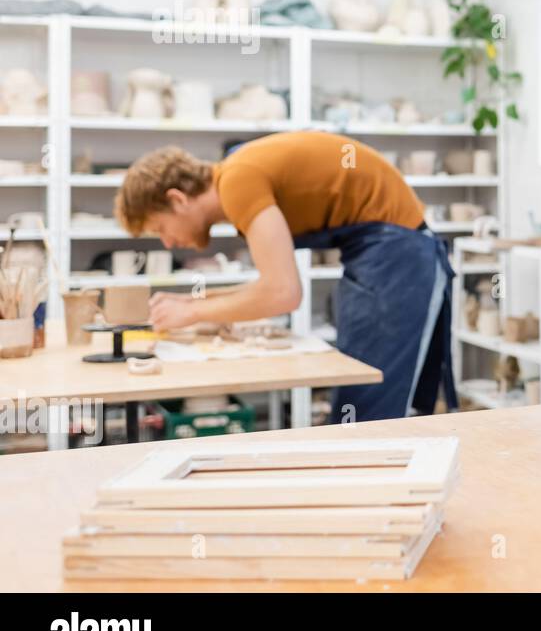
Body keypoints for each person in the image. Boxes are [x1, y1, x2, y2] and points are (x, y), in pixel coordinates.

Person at [114, 132, 456, 422]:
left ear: (178, 199)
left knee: (371, 406)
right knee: (355, 400)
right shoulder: (235, 174)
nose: (168, 242)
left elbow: (283, 292)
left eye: (161, 228)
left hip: (399, 253)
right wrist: (191, 301)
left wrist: (191, 313)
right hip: (377, 250)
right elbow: (270, 284)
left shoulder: (238, 181)